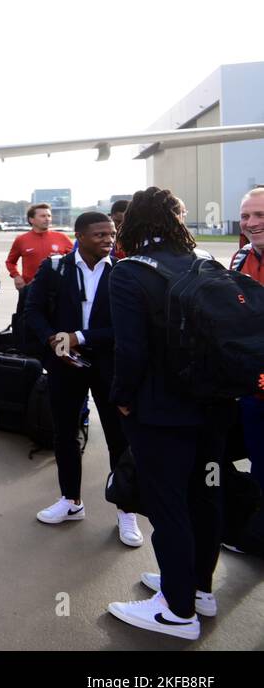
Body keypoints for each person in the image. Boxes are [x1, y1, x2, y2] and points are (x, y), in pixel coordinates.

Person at [106, 187, 233, 641]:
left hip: (160, 411)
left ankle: (177, 612)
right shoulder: (207, 263)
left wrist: (121, 396)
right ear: (176, 219)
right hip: (213, 406)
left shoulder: (129, 273)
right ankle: (197, 588)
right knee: (204, 497)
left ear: (133, 224)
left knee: (168, 505)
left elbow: (132, 349)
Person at [25, 211, 140, 546]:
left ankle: (126, 509)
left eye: (112, 234)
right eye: (100, 235)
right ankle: (71, 501)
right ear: (80, 236)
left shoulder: (122, 272)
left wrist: (79, 337)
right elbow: (32, 311)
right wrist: (53, 339)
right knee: (64, 434)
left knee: (119, 439)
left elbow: (126, 327)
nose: (108, 240)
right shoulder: (55, 268)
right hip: (64, 366)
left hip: (109, 367)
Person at [232, 187, 264, 492]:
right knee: (259, 462)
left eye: (260, 215)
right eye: (245, 216)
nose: (251, 222)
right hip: (252, 388)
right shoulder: (240, 257)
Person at [6, 203, 74, 298]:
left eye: (49, 216)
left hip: (58, 289)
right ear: (31, 219)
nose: (47, 219)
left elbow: (76, 259)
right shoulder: (21, 240)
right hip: (30, 289)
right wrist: (16, 276)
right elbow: (10, 262)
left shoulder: (62, 237)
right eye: (43, 216)